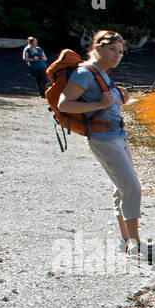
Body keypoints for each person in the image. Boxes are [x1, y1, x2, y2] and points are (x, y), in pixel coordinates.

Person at [56, 30, 149, 259]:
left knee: (122, 189)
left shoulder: (104, 74)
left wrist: (120, 96)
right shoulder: (84, 74)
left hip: (118, 136)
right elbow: (64, 104)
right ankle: (135, 243)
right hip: (104, 139)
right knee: (133, 189)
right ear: (97, 47)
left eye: (120, 51)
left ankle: (125, 240)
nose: (118, 55)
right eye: (112, 50)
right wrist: (99, 102)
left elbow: (107, 104)